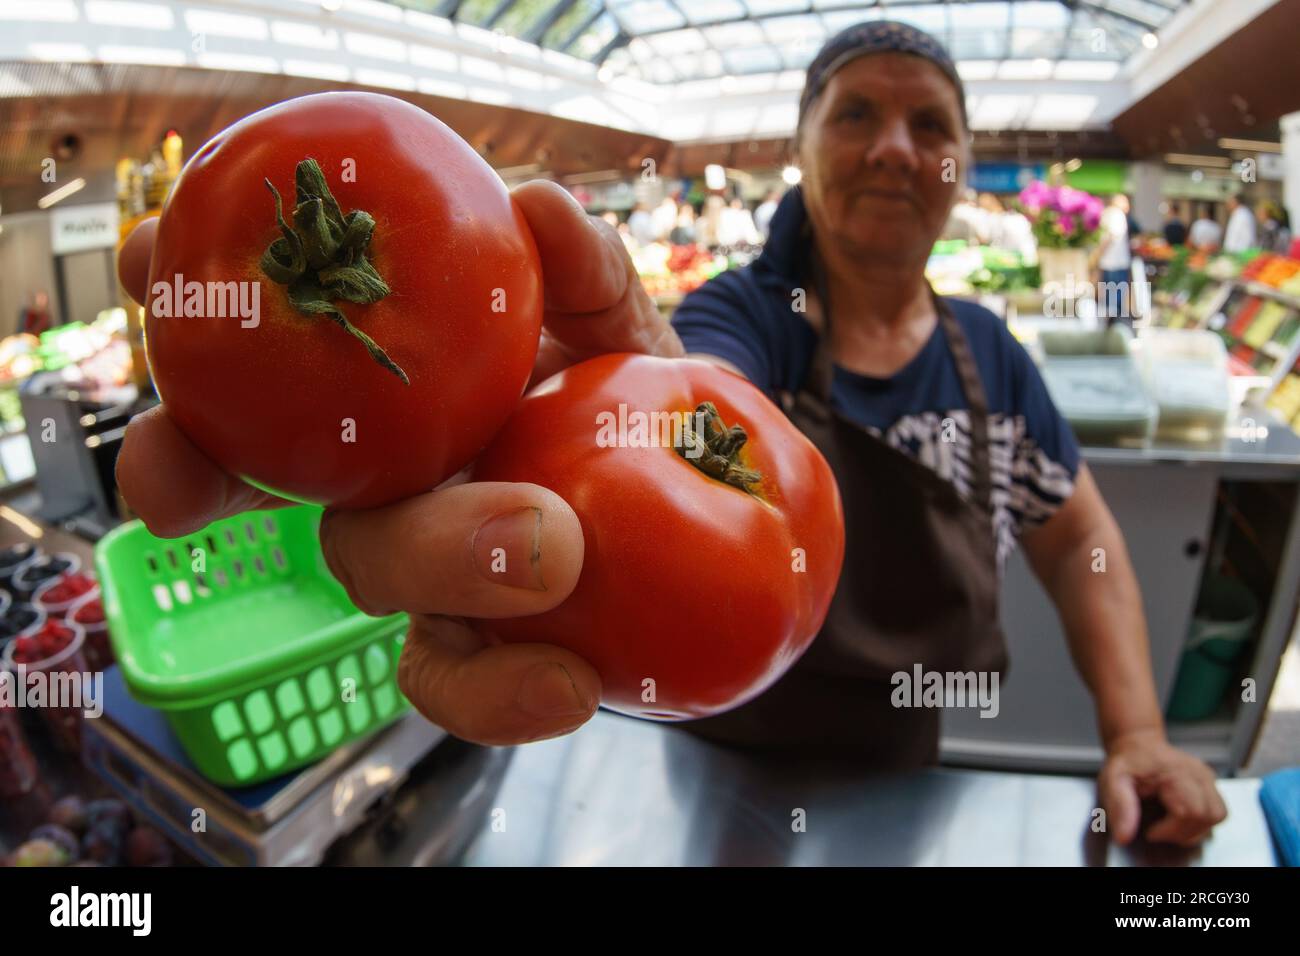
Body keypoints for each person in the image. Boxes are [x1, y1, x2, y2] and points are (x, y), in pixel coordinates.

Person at [113, 20, 1225, 848]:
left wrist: (1136, 729)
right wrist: (497, 433)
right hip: (698, 763)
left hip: (913, 770)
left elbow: (1084, 547)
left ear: (956, 163)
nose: (893, 145)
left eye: (928, 123)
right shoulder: (747, 317)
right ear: (800, 148)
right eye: (854, 114)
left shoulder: (996, 357)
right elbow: (673, 397)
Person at [1096, 194, 1133, 327]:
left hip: (1107, 262)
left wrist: (1098, 256)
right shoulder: (1117, 215)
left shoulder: (1105, 214)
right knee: (1115, 295)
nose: (1128, 207)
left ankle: (1108, 323)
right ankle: (1114, 324)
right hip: (1116, 262)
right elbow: (1111, 237)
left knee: (1107, 295)